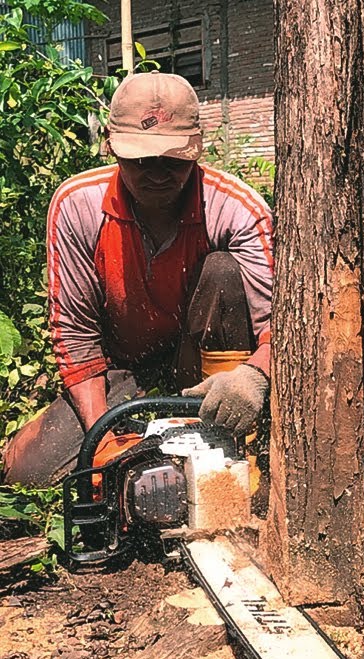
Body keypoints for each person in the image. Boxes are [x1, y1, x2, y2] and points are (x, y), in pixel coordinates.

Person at [0, 71, 273, 487]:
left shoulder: (236, 208)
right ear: (111, 146)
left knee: (222, 269)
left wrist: (256, 376)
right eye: (142, 160)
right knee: (26, 472)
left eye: (172, 160)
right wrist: (101, 437)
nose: (158, 174)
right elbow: (75, 335)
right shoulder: (78, 206)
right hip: (120, 370)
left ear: (196, 150)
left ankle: (231, 436)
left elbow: (285, 325)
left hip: (206, 367)